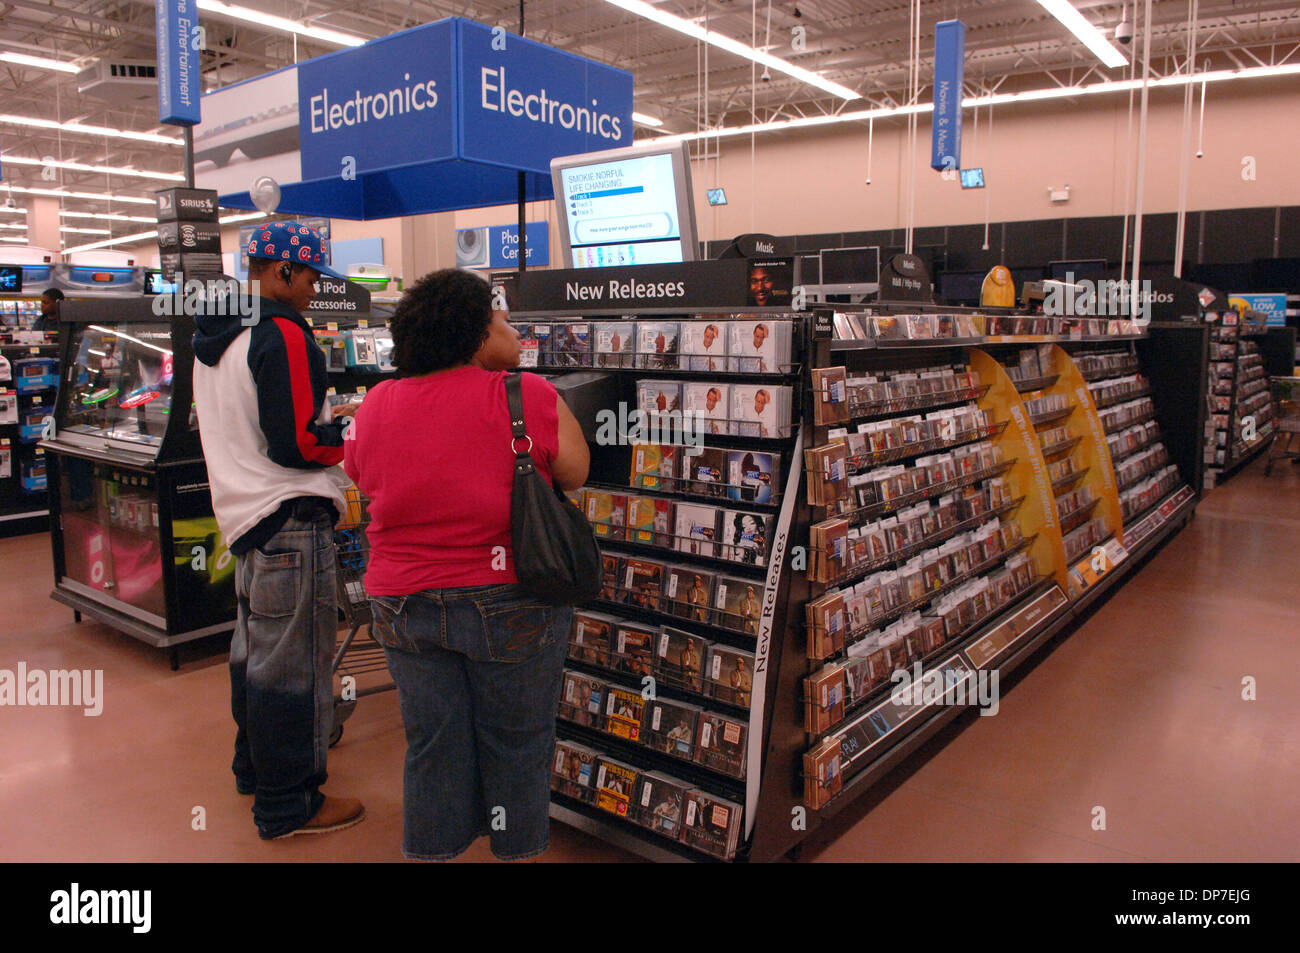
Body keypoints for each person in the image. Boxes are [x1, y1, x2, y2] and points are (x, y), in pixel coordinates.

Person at [343, 268, 589, 862]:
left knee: (433, 743)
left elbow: (360, 476)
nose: (512, 327)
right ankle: (516, 851)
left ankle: (432, 853)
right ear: (477, 335)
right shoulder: (525, 395)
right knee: (517, 743)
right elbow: (576, 473)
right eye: (502, 318)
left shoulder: (376, 404)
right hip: (509, 596)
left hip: (402, 603)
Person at [191, 220, 364, 840]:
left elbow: (252, 423)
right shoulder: (284, 332)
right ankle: (290, 804)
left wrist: (321, 419)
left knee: (254, 658)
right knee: (294, 669)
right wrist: (348, 431)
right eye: (312, 274)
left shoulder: (214, 338)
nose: (316, 288)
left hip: (243, 518)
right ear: (282, 271)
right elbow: (295, 444)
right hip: (290, 517)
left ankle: (253, 770)